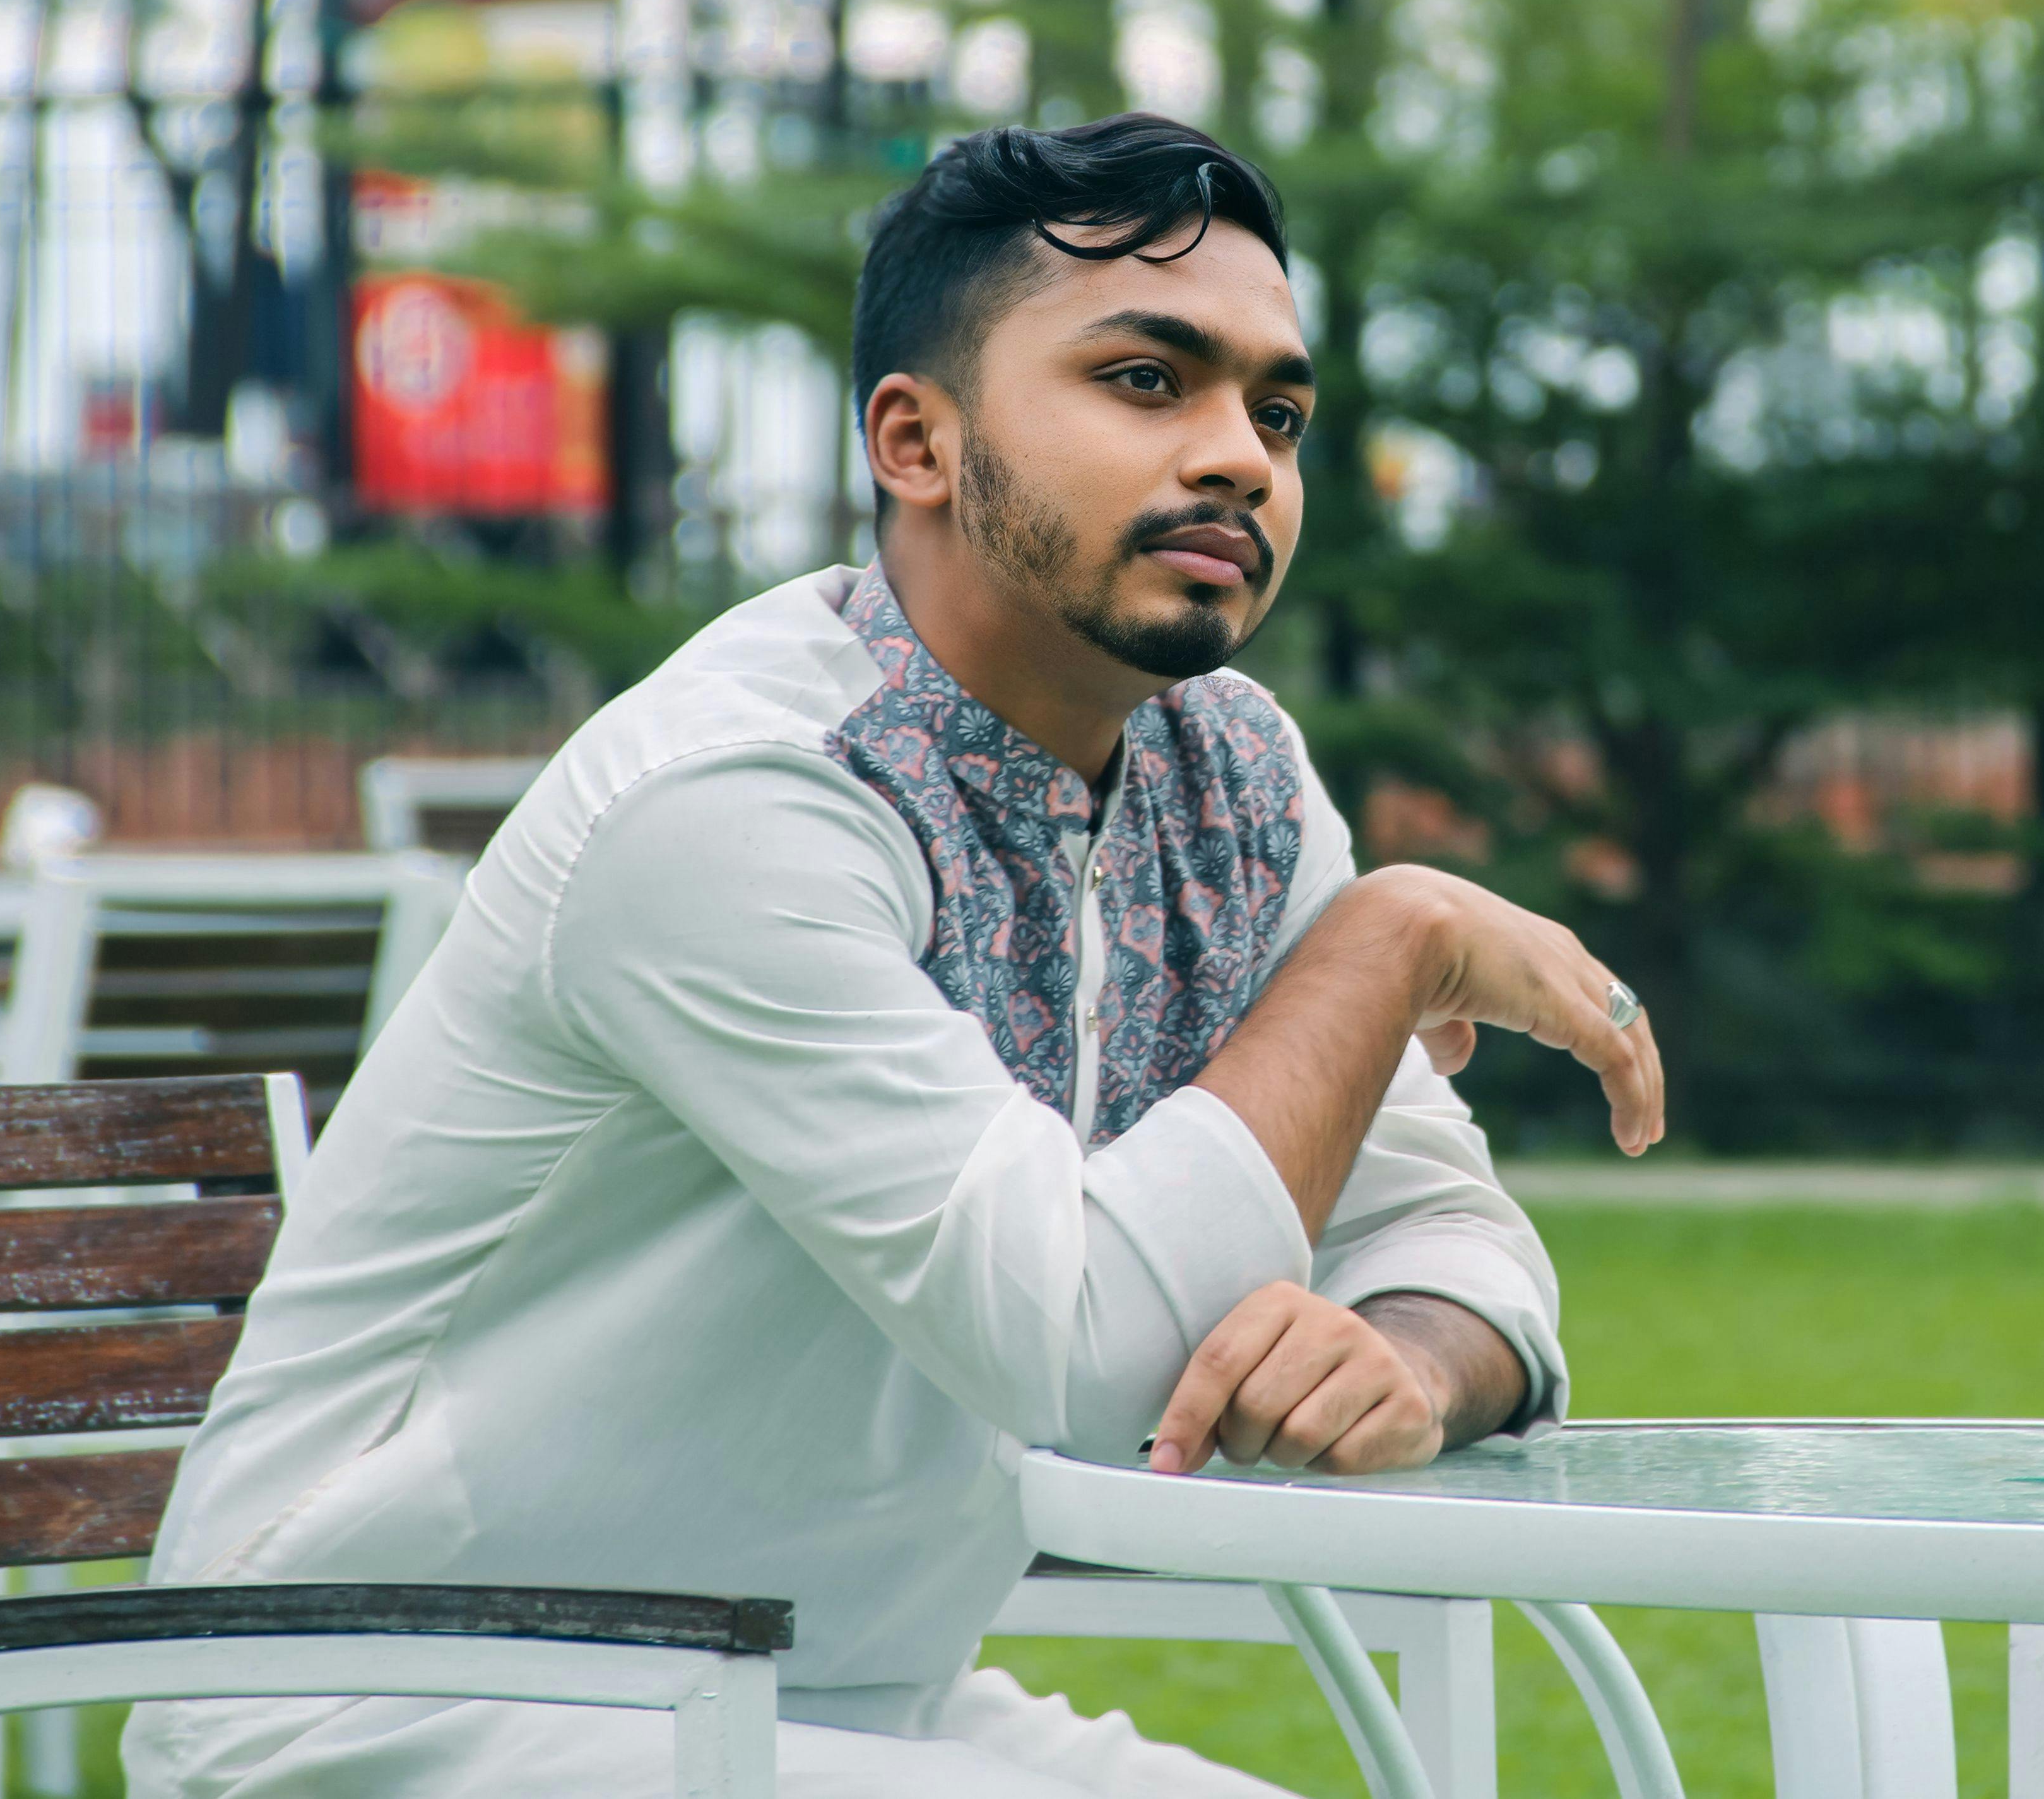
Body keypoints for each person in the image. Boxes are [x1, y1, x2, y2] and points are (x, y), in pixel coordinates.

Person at [125, 114, 1665, 1798]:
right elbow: (1078, 1351)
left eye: (1277, 414)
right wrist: (1390, 940)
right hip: (387, 1693)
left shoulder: (1230, 780)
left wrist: (1413, 1362)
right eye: (1148, 381)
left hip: (844, 1701)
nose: (1238, 455)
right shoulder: (737, 798)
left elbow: (1453, 1237)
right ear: (915, 441)